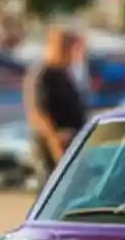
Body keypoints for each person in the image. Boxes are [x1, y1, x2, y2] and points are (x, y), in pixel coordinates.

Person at [23, 28, 87, 178]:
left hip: (71, 143)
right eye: (67, 48)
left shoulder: (64, 74)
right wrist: (55, 142)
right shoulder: (44, 75)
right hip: (54, 146)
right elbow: (39, 112)